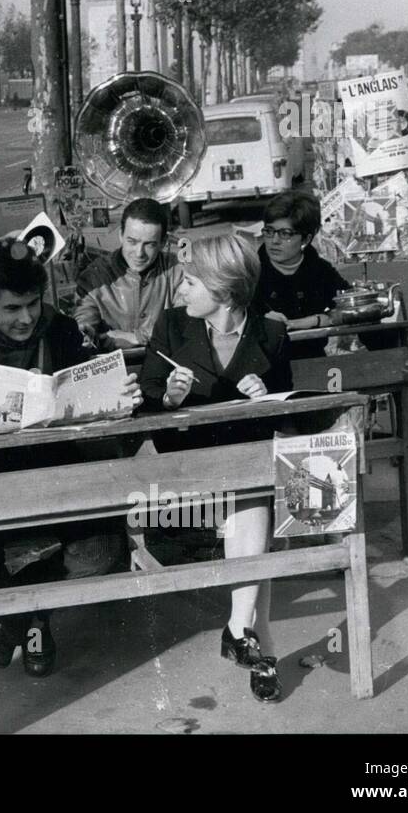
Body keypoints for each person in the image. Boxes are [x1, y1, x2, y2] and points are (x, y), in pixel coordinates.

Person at [0, 239, 142, 676]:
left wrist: (117, 396)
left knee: (103, 546)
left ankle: (16, 617)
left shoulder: (61, 330)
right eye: (12, 308)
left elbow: (91, 390)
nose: (27, 318)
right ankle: (34, 621)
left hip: (53, 478)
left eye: (33, 304)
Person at [138, 233, 291, 702]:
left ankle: (246, 637)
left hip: (246, 475)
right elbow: (144, 409)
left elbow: (291, 415)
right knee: (255, 507)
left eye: (189, 282)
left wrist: (266, 401)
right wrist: (169, 400)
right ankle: (246, 634)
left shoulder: (271, 335)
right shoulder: (171, 326)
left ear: (223, 291)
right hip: (185, 477)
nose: (180, 291)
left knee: (253, 498)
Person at [251, 192, 351, 360]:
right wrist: (259, 319)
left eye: (285, 234)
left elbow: (348, 306)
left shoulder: (320, 270)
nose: (274, 240)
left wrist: (316, 320)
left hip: (311, 362)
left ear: (306, 239)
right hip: (262, 366)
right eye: (269, 231)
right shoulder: (250, 270)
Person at [74, 197, 184, 350]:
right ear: (120, 235)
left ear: (163, 242)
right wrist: (85, 331)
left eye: (149, 244)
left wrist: (138, 337)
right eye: (132, 242)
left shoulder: (178, 270)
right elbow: (84, 316)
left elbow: (186, 323)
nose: (139, 253)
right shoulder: (96, 276)